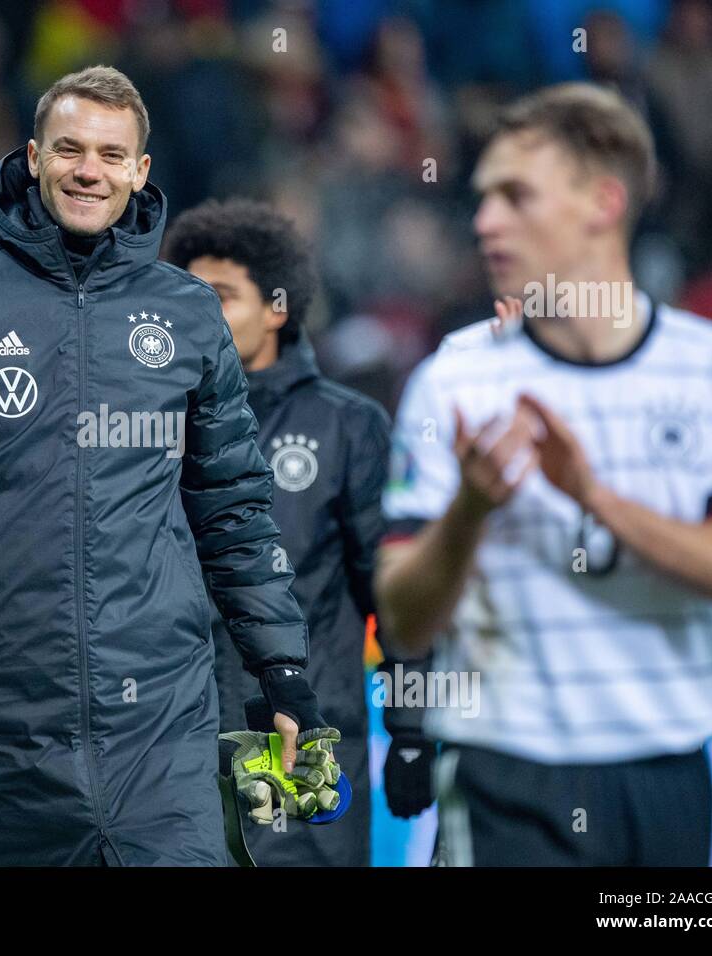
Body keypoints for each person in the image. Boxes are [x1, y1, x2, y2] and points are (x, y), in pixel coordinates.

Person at [0, 65, 330, 866]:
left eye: (111, 154)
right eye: (70, 148)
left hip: (161, 732)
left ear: (139, 171)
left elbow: (233, 507)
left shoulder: (188, 313)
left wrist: (283, 670)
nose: (90, 169)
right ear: (32, 157)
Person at [375, 83, 712, 866]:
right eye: (482, 196)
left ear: (603, 202)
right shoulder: (452, 379)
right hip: (501, 769)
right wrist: (469, 510)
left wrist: (591, 496)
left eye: (515, 196)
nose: (485, 219)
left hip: (669, 769)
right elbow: (403, 619)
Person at [163, 198, 435, 866]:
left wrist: (410, 730)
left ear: (277, 309)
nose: (200, 315)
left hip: (299, 744)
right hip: (170, 747)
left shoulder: (349, 427)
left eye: (221, 296)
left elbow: (395, 598)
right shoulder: (149, 428)